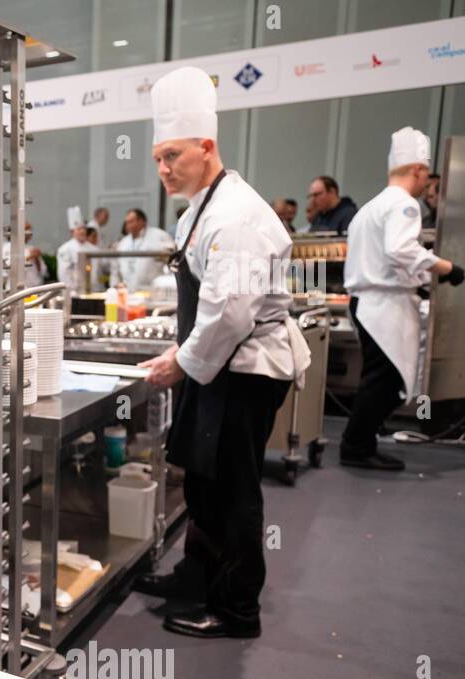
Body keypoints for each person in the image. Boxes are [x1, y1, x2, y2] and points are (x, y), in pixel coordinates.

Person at [133, 66, 311, 640]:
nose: (164, 169)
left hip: (247, 370)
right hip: (221, 366)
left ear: (207, 146)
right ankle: (195, 578)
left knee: (231, 489)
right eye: (158, 158)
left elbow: (231, 313)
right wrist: (183, 350)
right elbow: (209, 307)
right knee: (204, 483)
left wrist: (181, 362)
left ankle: (237, 609)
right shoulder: (198, 211)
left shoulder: (235, 217)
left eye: (174, 156)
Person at [340, 127, 464, 471]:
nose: (427, 184)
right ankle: (356, 447)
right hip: (384, 304)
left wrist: (419, 280)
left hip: (370, 301)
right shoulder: (404, 205)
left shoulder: (371, 206)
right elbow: (400, 249)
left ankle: (360, 442)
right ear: (418, 170)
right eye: (426, 175)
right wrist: (445, 267)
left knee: (380, 379)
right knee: (385, 380)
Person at [114, 208, 174, 291]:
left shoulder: (159, 235)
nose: (128, 225)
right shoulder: (124, 242)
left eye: (131, 222)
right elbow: (115, 267)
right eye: (127, 222)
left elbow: (172, 261)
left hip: (152, 291)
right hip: (128, 290)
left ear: (142, 221)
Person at [57, 206, 99, 293]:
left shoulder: (94, 249)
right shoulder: (65, 249)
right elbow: (64, 274)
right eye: (79, 229)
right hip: (73, 292)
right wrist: (72, 290)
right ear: (72, 232)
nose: (82, 231)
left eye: (83, 228)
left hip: (92, 290)